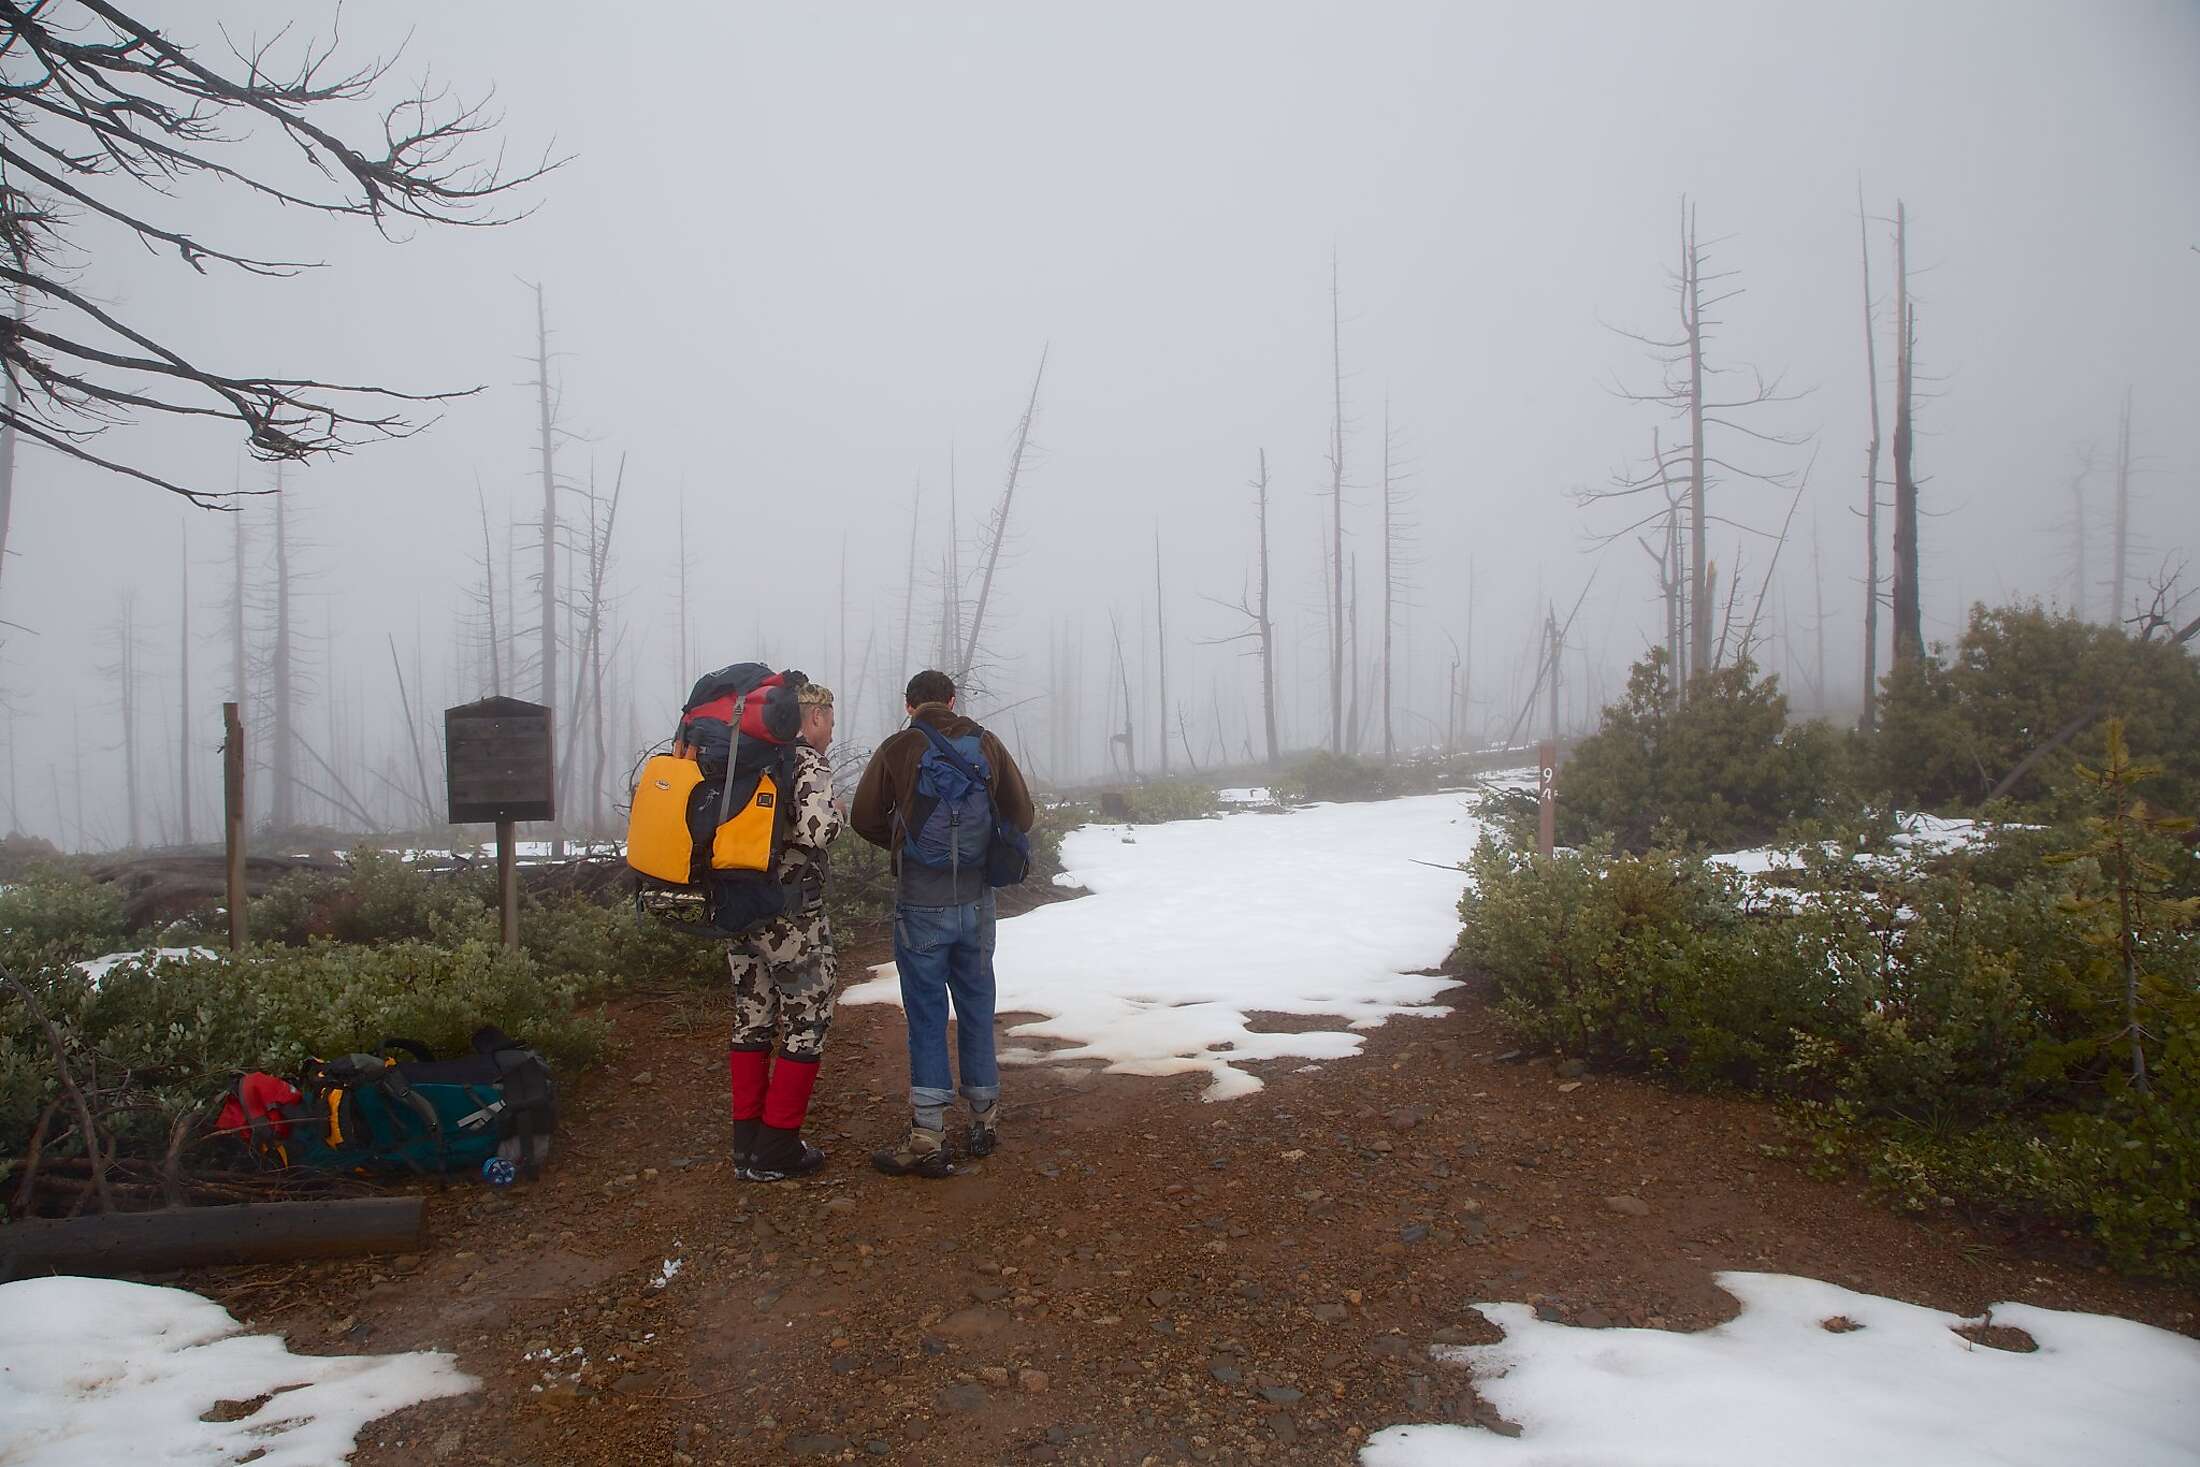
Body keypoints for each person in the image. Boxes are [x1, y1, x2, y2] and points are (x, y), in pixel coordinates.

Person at [851, 668, 1035, 1177]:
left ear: (909, 705)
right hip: (977, 901)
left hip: (920, 902)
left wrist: (902, 843)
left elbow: (864, 818)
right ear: (953, 701)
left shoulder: (897, 748)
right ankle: (985, 1118)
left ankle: (928, 1133)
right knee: (977, 1004)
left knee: (927, 1012)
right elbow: (1021, 815)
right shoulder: (987, 743)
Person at [726, 681, 842, 1182]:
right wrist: (835, 816)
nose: (832, 735)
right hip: (793, 921)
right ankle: (777, 1147)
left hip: (739, 912)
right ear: (812, 717)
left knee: (752, 1018)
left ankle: (746, 1143)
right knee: (807, 1019)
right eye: (830, 723)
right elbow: (818, 831)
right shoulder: (804, 764)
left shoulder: (743, 761)